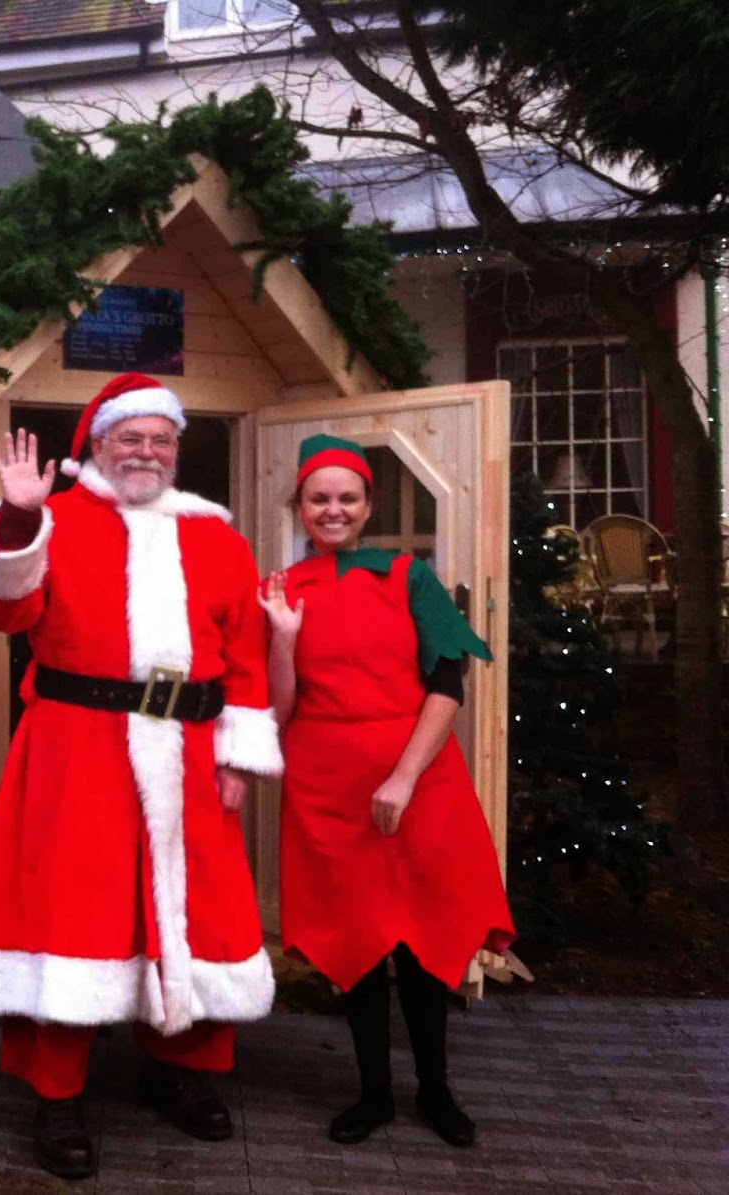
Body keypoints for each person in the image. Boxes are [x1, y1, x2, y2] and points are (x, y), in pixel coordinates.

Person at [0, 372, 283, 1180]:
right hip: (77, 746)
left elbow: (244, 652)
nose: (146, 451)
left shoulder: (217, 536)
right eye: (129, 437)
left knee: (194, 911)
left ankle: (181, 1068)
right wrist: (20, 515)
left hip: (191, 750)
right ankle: (56, 1095)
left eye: (160, 439)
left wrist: (241, 751)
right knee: (73, 916)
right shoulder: (51, 520)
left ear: (178, 449)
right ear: (98, 444)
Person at [257, 434, 516, 1149]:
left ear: (367, 504)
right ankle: (373, 1093)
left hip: (418, 782)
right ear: (301, 506)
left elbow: (448, 684)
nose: (333, 509)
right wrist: (281, 638)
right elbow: (278, 711)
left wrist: (403, 775)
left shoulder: (408, 576)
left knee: (425, 940)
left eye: (347, 497)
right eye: (319, 497)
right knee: (360, 940)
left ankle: (435, 1088)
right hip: (327, 789)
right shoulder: (283, 588)